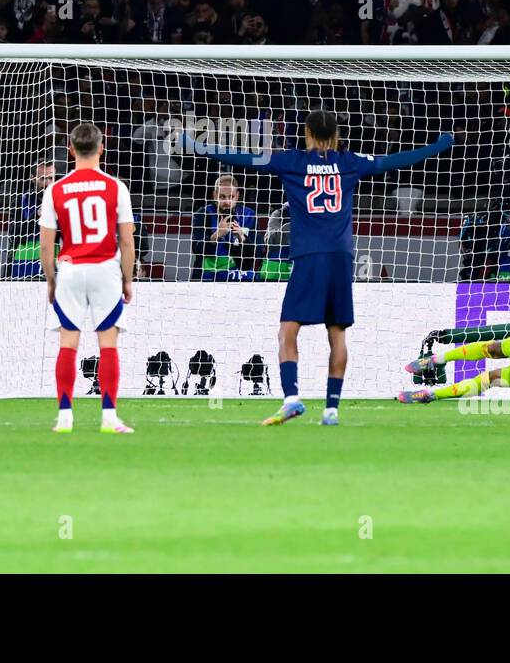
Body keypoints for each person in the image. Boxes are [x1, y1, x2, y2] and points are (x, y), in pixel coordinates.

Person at [193, 109, 454, 426]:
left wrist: (198, 144)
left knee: (288, 330)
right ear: (335, 135)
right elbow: (396, 160)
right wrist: (440, 145)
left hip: (308, 255)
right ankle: (331, 409)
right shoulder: (350, 162)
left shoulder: (291, 161)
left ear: (307, 133)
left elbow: (243, 159)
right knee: (337, 334)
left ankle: (291, 399)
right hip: (341, 256)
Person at [40, 122, 136, 435]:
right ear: (101, 148)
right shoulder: (115, 187)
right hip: (105, 269)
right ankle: (109, 418)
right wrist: (128, 280)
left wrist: (51, 280)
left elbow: (46, 243)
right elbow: (126, 240)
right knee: (108, 345)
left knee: (68, 344)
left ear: (70, 150)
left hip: (70, 270)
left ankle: (65, 418)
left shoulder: (56, 188)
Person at [190, 173, 262, 280]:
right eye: (222, 197)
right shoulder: (204, 214)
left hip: (242, 279)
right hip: (208, 279)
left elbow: (258, 252)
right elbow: (196, 248)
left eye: (231, 197)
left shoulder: (249, 215)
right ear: (215, 195)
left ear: (237, 196)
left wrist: (242, 238)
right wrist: (217, 235)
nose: (227, 202)